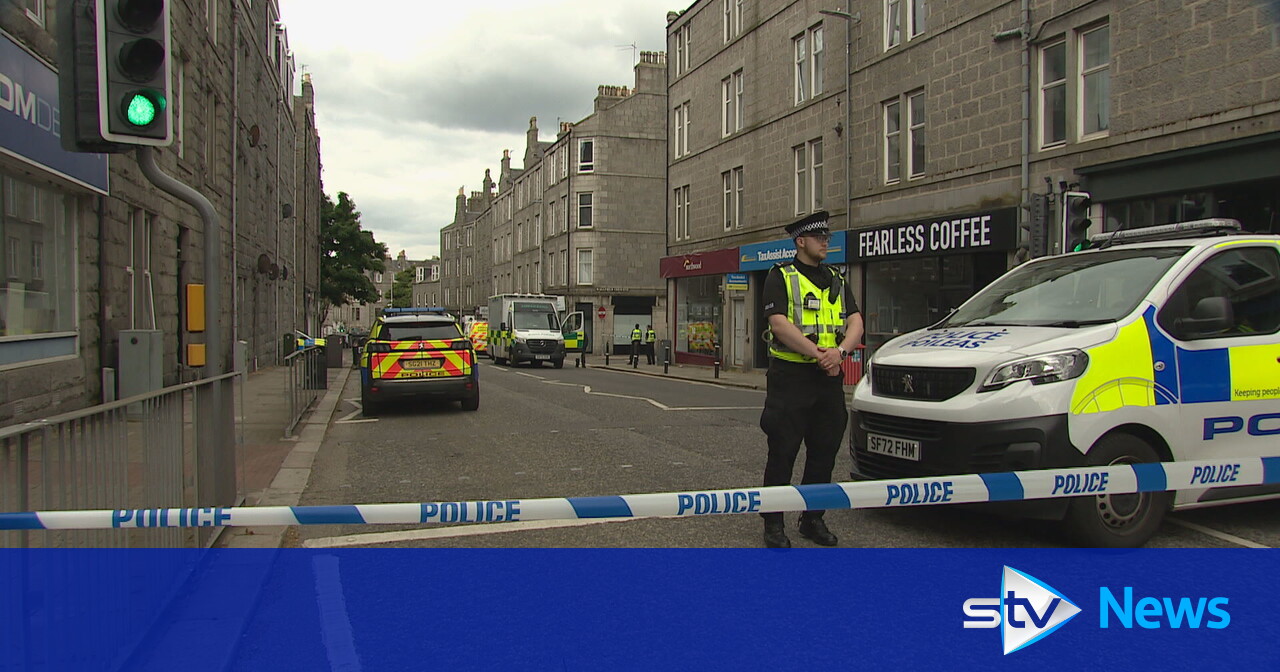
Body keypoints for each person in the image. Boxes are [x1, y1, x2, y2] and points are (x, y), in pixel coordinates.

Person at [759, 211, 864, 548]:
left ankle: (812, 518)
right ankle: (773, 523)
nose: (825, 242)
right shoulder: (780, 276)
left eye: (827, 237)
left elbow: (856, 321)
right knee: (783, 452)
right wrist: (820, 354)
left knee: (825, 452)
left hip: (829, 378)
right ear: (800, 241)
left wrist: (841, 353)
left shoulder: (837, 278)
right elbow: (779, 324)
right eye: (819, 237)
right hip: (791, 378)